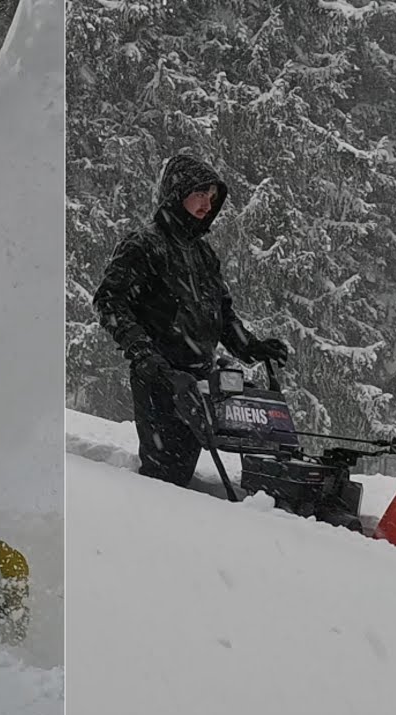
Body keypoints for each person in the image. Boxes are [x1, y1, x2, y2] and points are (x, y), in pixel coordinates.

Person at [92, 153, 289, 487]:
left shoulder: (202, 254)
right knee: (163, 475)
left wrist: (250, 346)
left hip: (200, 380)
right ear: (177, 192)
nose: (206, 204)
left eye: (212, 198)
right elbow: (109, 301)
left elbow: (222, 312)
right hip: (161, 376)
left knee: (181, 474)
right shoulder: (145, 244)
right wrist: (142, 352)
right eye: (199, 194)